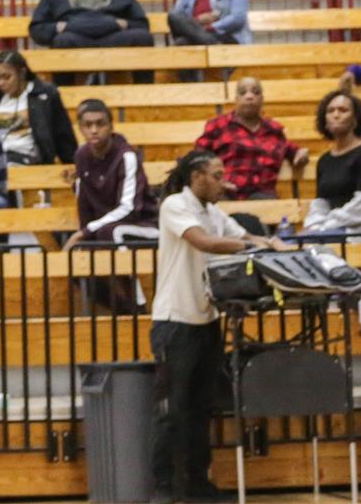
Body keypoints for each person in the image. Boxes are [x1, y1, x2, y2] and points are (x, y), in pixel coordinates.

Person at [150, 151, 294, 504]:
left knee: (201, 409)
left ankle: (197, 486)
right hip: (175, 322)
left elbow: (244, 235)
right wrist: (252, 247)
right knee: (174, 410)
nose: (224, 182)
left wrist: (272, 243)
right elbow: (205, 242)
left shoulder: (213, 212)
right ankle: (164, 489)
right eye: (217, 176)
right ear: (197, 177)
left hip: (206, 322)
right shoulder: (175, 205)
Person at [193, 77, 308, 200]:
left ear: (262, 99)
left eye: (255, 92)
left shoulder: (274, 129)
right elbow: (197, 158)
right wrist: (217, 180)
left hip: (263, 195)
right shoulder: (219, 125)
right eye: (243, 92)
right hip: (225, 192)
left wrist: (301, 154)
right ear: (236, 100)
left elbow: (292, 150)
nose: (249, 96)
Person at [68, 100, 159, 244]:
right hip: (103, 227)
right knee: (92, 238)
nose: (94, 130)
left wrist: (86, 231)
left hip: (143, 225)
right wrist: (85, 233)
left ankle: (123, 267)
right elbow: (84, 204)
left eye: (100, 124)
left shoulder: (127, 156)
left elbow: (129, 209)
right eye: (88, 125)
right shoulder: (81, 156)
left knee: (111, 232)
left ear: (111, 126)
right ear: (80, 128)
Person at [303, 92, 361, 235]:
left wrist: (327, 225)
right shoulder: (324, 160)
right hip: (332, 228)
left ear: (355, 119)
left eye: (343, 110)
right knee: (295, 241)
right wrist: (316, 225)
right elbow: (321, 203)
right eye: (331, 111)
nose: (336, 115)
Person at [0, 49, 78, 167]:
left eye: (6, 77)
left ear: (22, 72)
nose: (1, 83)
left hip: (32, 159)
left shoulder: (45, 94)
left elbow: (62, 133)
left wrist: (72, 165)